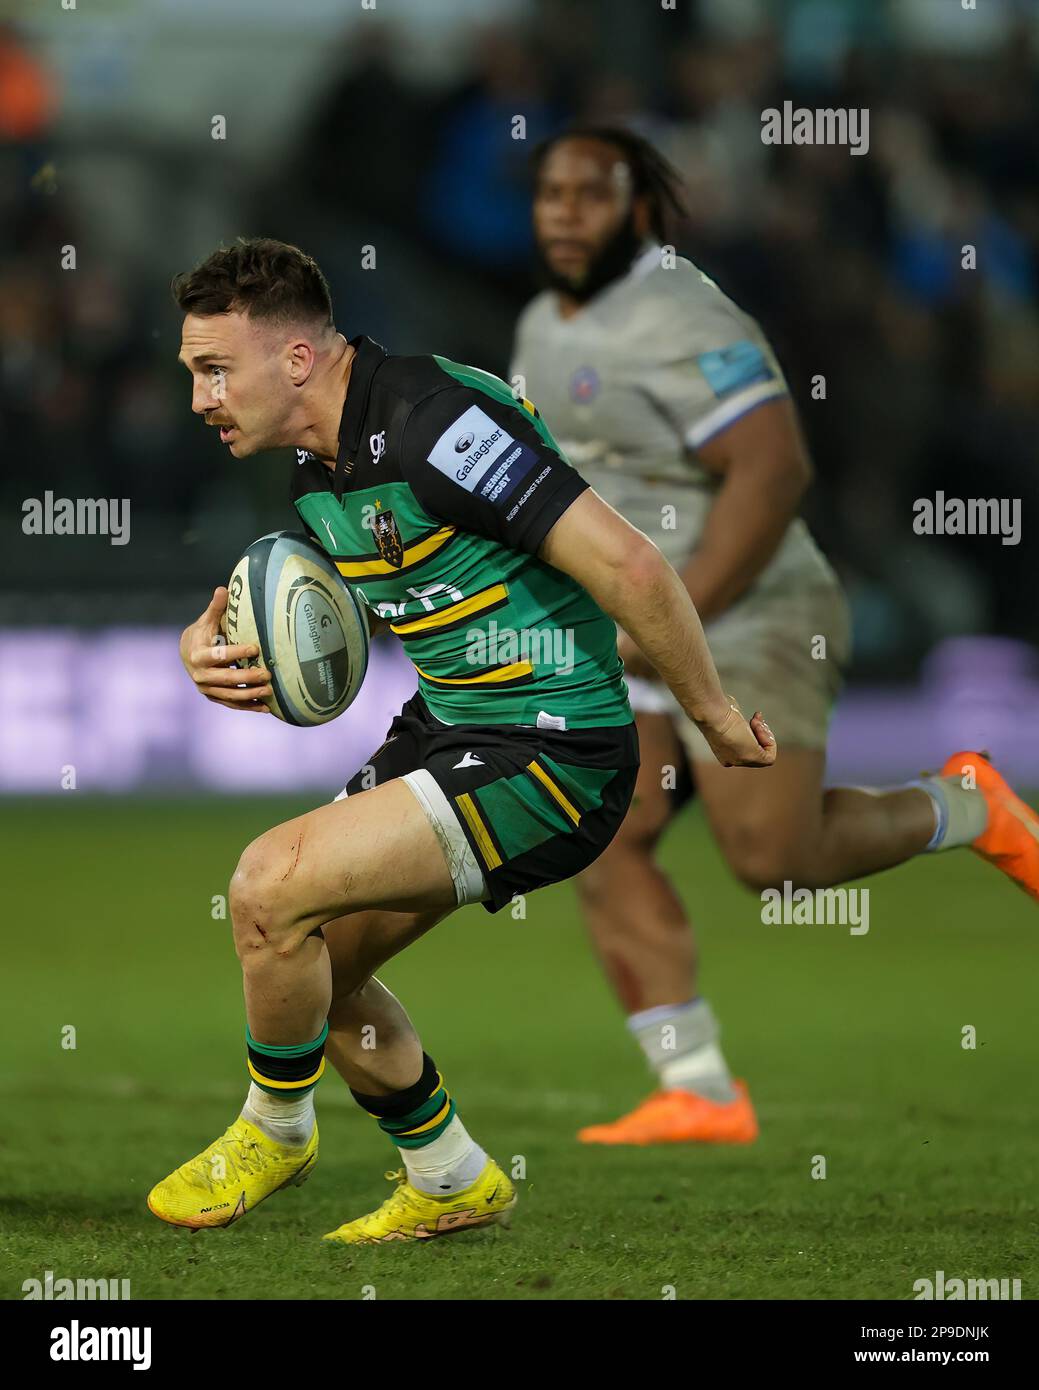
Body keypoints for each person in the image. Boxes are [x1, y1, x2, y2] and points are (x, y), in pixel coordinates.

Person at [147, 236, 775, 1244]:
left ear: (297, 358)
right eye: (191, 373)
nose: (198, 398)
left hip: (552, 750)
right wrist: (201, 645)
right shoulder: (317, 464)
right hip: (451, 728)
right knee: (309, 964)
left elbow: (631, 567)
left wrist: (708, 717)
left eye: (213, 369)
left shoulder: (437, 426)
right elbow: (303, 600)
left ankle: (275, 1123)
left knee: (267, 884)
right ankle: (448, 1174)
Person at [511, 127, 1039, 1147]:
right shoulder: (543, 325)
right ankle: (697, 1085)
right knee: (599, 828)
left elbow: (772, 471)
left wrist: (682, 612)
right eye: (550, 194)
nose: (563, 213)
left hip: (752, 609)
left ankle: (965, 807)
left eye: (591, 194)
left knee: (773, 859)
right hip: (636, 614)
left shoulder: (683, 317)